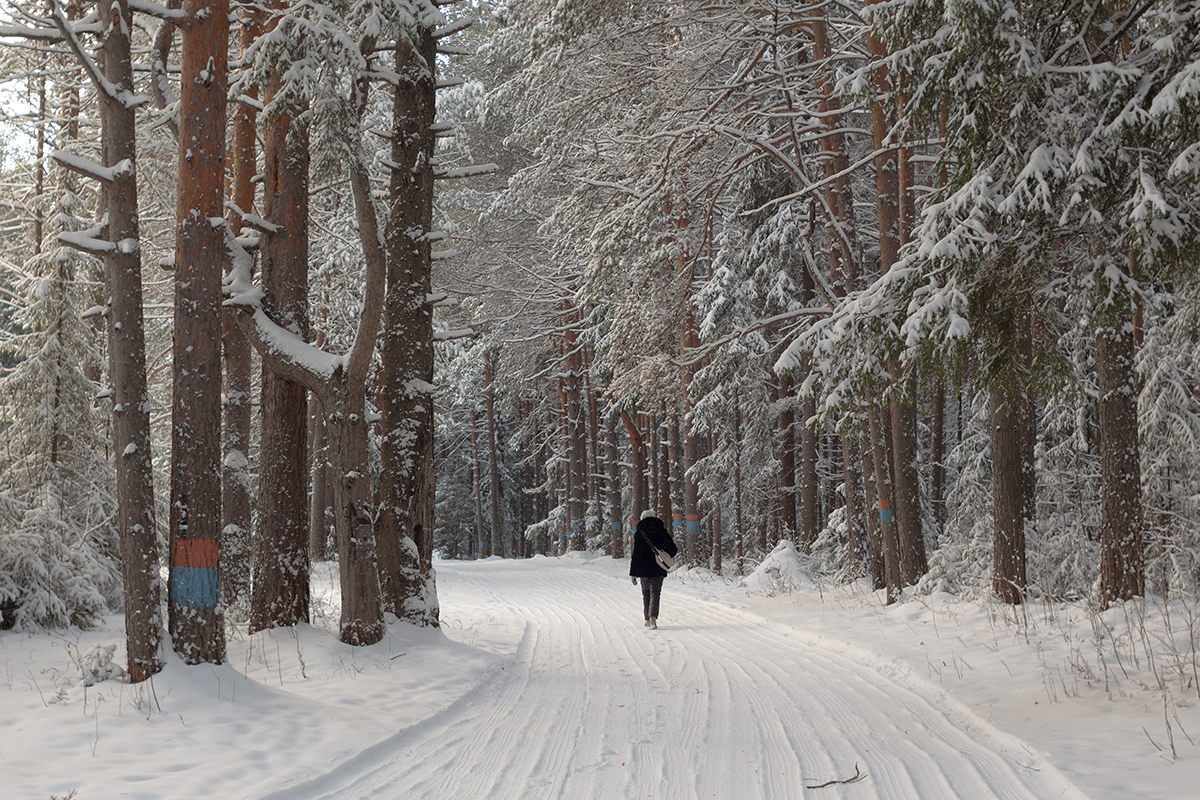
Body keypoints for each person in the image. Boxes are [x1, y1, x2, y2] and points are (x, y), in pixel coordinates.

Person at [629, 510, 678, 629]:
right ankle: (653, 618)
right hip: (658, 568)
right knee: (655, 593)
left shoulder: (639, 534)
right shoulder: (662, 532)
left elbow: (635, 554)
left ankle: (647, 618)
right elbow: (674, 549)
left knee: (646, 593)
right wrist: (664, 555)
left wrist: (633, 573)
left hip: (643, 569)